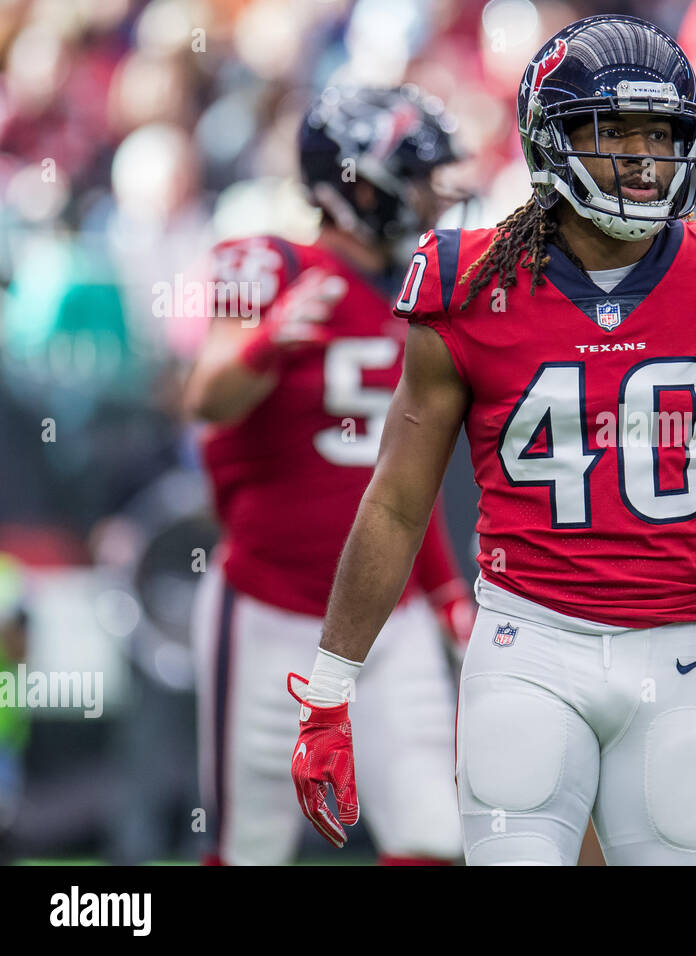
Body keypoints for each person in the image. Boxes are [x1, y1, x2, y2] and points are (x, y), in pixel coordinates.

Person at [288, 14, 696, 867]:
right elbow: (398, 502)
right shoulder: (465, 279)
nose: (642, 156)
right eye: (614, 133)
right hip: (528, 648)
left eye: (661, 133)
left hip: (679, 652)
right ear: (551, 146)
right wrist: (331, 691)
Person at [186, 86, 473, 865]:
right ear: (358, 183)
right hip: (272, 605)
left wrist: (447, 593)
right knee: (251, 847)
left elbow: (403, 483)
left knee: (435, 837)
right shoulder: (267, 263)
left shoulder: (427, 297)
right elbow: (206, 398)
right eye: (413, 178)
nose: (429, 198)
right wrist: (269, 342)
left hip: (390, 612)